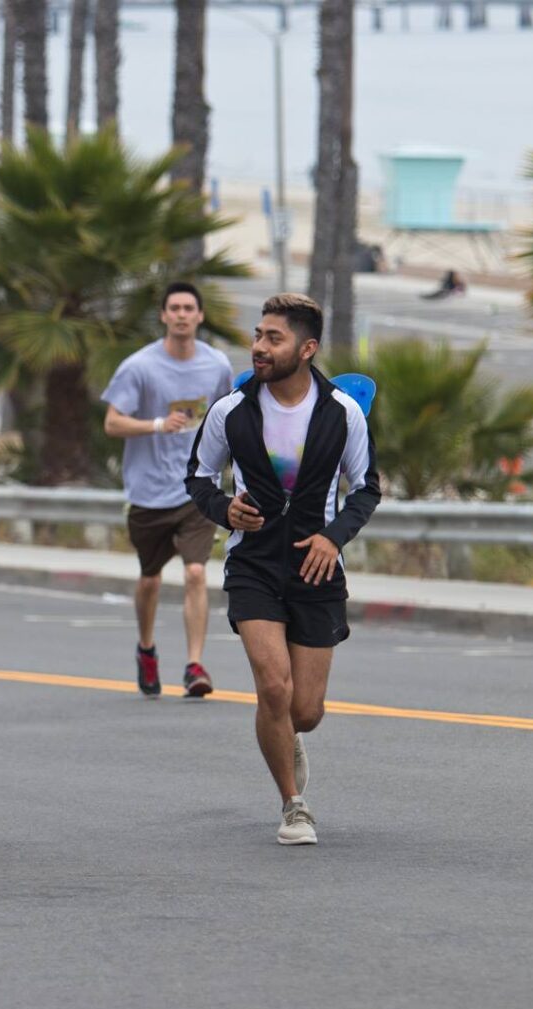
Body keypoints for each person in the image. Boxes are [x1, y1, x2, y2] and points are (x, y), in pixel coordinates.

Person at [186, 293, 380, 846]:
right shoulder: (231, 410)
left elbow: (366, 487)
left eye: (274, 338)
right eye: (257, 335)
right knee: (273, 688)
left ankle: (290, 735)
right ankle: (294, 805)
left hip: (318, 567)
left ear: (307, 348)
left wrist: (334, 535)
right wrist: (224, 509)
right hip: (253, 563)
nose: (259, 347)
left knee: (305, 710)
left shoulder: (343, 412)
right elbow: (198, 478)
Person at [101, 282, 234, 698]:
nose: (180, 314)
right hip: (147, 491)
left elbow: (229, 418)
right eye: (173, 307)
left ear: (199, 315)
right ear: (163, 315)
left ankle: (195, 665)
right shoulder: (139, 367)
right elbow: (112, 423)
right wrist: (156, 425)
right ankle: (146, 649)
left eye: (188, 308)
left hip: (196, 489)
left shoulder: (217, 366)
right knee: (150, 581)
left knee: (196, 572)